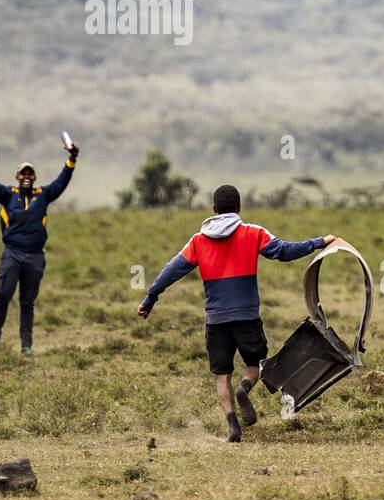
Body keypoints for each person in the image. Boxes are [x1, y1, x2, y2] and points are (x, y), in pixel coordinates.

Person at [138, 184, 338, 441]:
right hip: (247, 317)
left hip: (216, 319)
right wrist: (319, 242)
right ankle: (244, 387)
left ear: (214, 210)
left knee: (222, 375)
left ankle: (233, 425)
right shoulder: (253, 233)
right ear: (239, 208)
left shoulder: (198, 241)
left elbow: (171, 270)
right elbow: (284, 252)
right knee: (255, 365)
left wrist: (150, 297)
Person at [0, 143, 79, 354]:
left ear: (34, 178)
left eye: (30, 173)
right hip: (12, 255)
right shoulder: (8, 195)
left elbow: (62, 181)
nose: (27, 176)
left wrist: (72, 159)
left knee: (27, 303)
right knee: (2, 296)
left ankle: (26, 346)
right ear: (17, 177)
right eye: (23, 173)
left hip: (35, 257)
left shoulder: (43, 195)